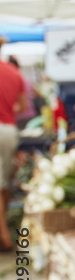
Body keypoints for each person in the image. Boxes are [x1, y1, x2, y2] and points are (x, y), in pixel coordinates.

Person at [0, 55, 26, 251]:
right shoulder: (14, 72)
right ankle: (5, 231)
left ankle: (5, 236)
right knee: (5, 183)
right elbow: (22, 107)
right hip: (9, 130)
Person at [8, 57, 37, 128]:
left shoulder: (12, 81)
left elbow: (21, 107)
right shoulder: (26, 80)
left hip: (19, 119)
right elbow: (38, 94)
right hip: (31, 117)